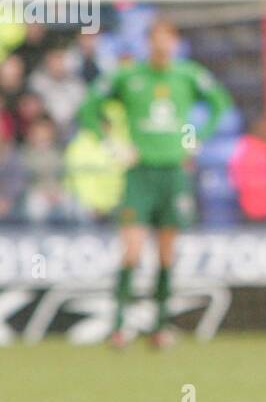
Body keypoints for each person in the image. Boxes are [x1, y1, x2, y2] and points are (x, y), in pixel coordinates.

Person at [78, 21, 233, 349]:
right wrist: (113, 144)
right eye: (156, 40)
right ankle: (119, 327)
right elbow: (89, 108)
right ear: (148, 43)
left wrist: (198, 139)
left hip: (174, 172)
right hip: (140, 173)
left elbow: (220, 103)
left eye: (168, 40)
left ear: (175, 42)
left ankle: (160, 326)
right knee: (131, 250)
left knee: (165, 253)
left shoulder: (188, 75)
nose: (162, 46)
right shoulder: (129, 77)